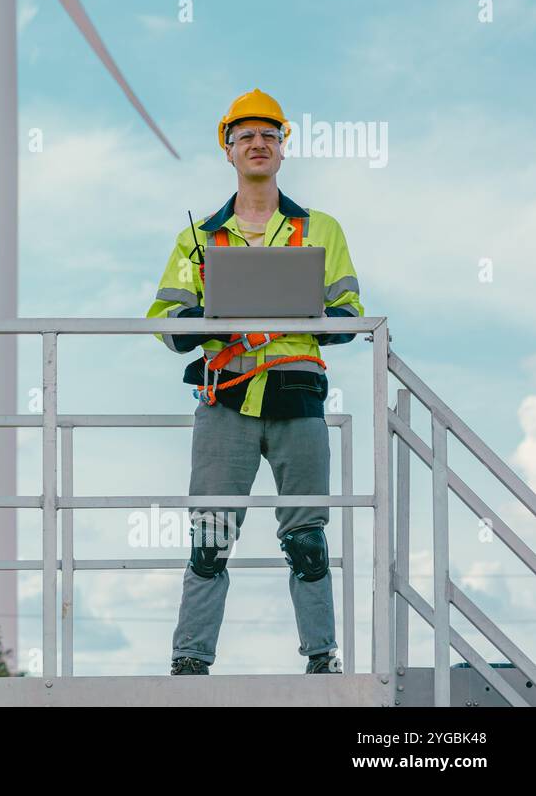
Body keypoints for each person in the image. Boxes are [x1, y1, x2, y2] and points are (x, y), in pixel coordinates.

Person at [145, 88, 363, 675]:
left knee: (307, 540)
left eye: (269, 135)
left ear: (283, 147)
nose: (258, 144)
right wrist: (204, 320)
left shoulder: (322, 228)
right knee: (211, 538)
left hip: (297, 396)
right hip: (226, 399)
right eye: (246, 136)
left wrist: (310, 318)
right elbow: (162, 322)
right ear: (229, 149)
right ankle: (190, 662)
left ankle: (322, 660)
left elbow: (350, 315)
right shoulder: (198, 239)